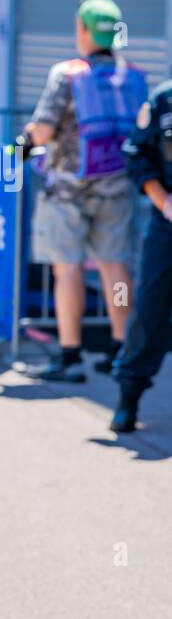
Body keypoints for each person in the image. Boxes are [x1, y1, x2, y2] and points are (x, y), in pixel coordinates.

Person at [23, 0, 145, 383]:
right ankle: (121, 347)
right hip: (119, 187)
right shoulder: (133, 76)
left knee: (68, 270)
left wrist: (15, 149)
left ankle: (70, 355)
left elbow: (41, 130)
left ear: (83, 29)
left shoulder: (68, 74)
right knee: (116, 267)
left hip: (67, 190)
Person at [111, 75, 172, 431]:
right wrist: (162, 201)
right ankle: (128, 400)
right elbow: (136, 153)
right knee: (149, 309)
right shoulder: (163, 99)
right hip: (166, 227)